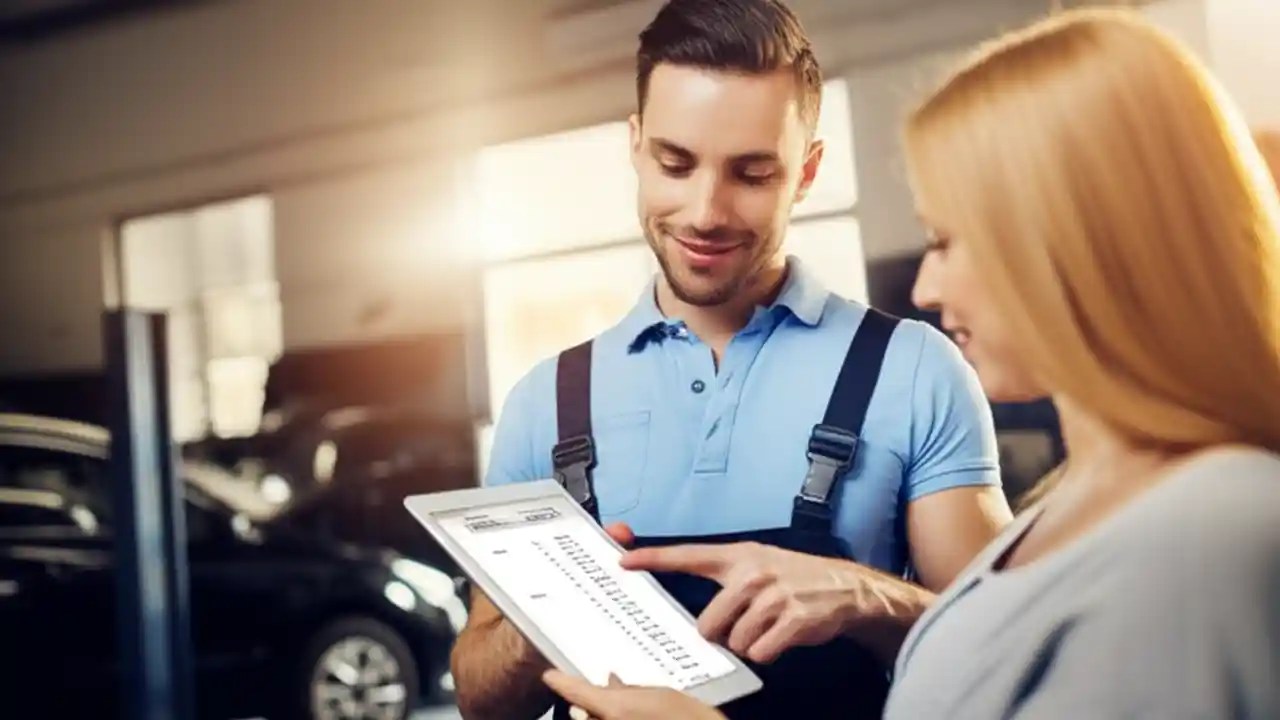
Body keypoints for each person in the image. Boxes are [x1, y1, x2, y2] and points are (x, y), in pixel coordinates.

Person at [539, 7, 1280, 719]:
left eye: (949, 240)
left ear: (1085, 243)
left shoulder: (1222, 528)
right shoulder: (1076, 502)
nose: (926, 287)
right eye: (675, 162)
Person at [450, 1, 1014, 718]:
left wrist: (868, 597)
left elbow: (1000, 661)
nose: (706, 211)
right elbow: (478, 696)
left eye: (751, 173)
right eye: (675, 164)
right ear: (635, 147)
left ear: (805, 173)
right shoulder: (546, 402)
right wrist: (553, 614)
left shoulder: (915, 372)